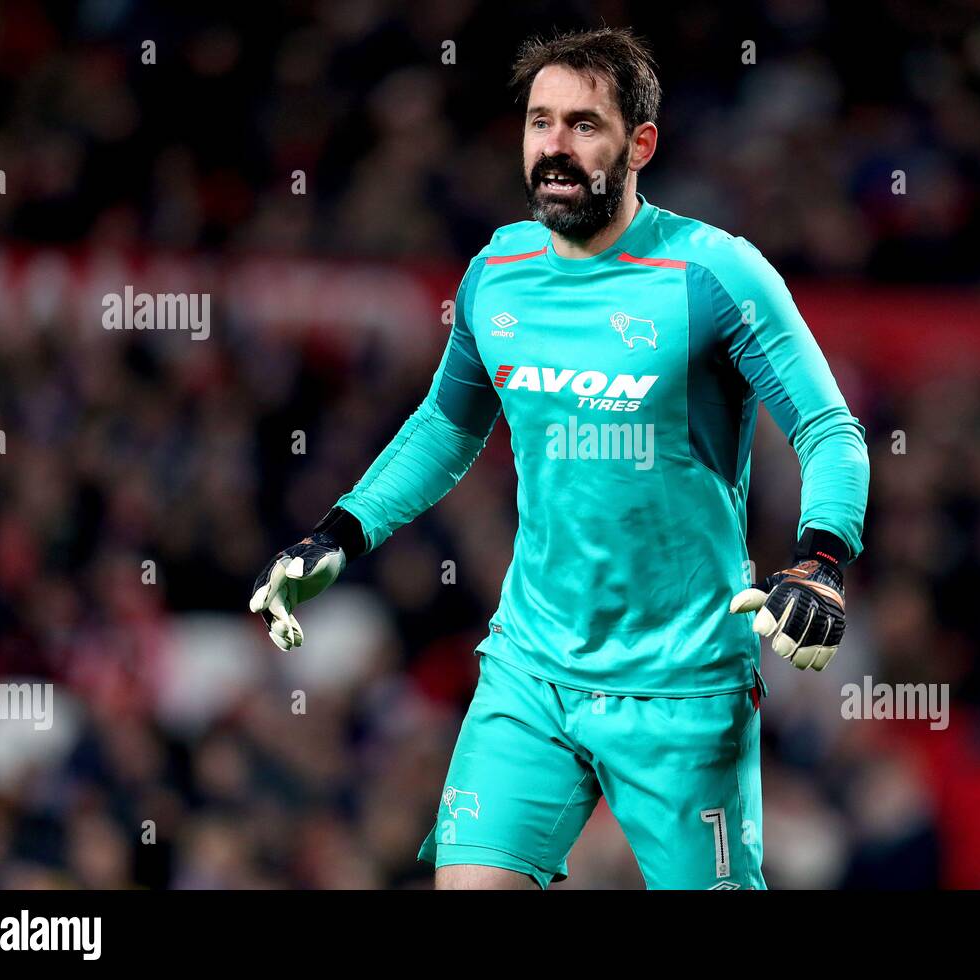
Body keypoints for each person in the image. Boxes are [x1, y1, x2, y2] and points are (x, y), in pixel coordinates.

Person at [249, 27, 869, 890]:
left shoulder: (713, 273)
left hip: (682, 686)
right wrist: (339, 534)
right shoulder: (497, 271)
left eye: (584, 125)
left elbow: (828, 429)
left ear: (639, 144)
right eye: (541, 122)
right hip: (531, 668)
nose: (555, 146)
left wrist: (822, 560)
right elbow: (445, 427)